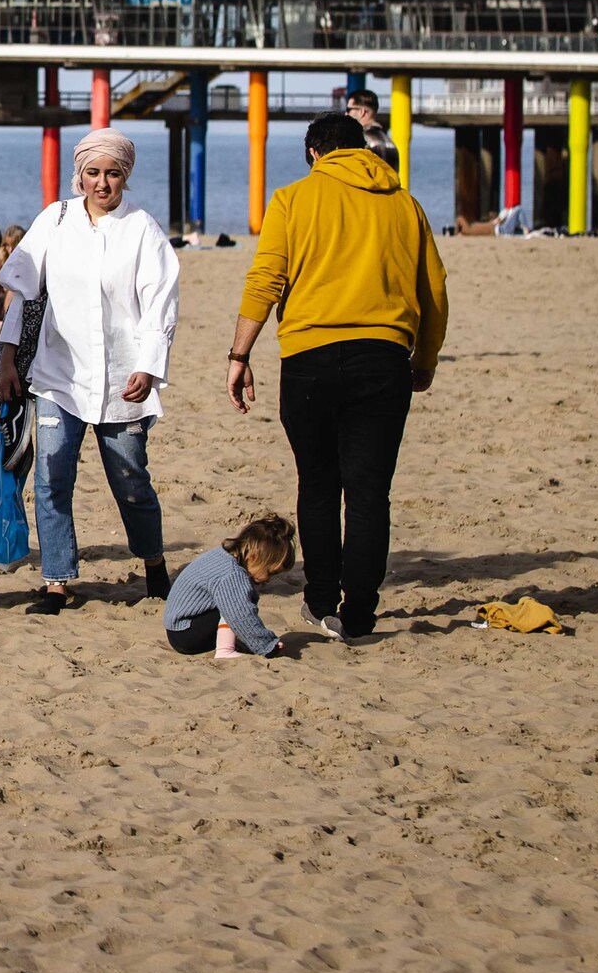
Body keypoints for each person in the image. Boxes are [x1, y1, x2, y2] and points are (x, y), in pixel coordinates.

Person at [226, 113, 448, 641]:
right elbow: (434, 292)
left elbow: (266, 279)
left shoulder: (293, 199)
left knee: (319, 485)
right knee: (370, 493)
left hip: (309, 359)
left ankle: (321, 598)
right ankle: (361, 612)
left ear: (313, 155)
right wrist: (426, 359)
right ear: (366, 151)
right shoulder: (405, 204)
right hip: (384, 357)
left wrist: (240, 354)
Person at [0, 128, 178, 614]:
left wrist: (149, 366)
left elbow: (160, 304)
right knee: (52, 476)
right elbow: (24, 293)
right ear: (79, 176)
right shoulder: (54, 220)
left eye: (112, 174)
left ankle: (154, 563)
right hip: (58, 376)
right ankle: (56, 581)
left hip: (124, 380)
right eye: (93, 173)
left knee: (131, 479)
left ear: (125, 178)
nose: (102, 183)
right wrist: (8, 356)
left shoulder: (143, 229)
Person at [163, 513, 295, 657]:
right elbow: (242, 615)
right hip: (186, 633)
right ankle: (225, 651)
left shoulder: (223, 555)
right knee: (235, 606)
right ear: (254, 557)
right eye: (269, 572)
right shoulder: (232, 574)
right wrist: (267, 646)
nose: (269, 579)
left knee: (234, 604)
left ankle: (228, 642)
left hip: (178, 627)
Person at [344, 88, 398, 171]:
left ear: (361, 112)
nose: (346, 114)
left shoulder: (358, 140)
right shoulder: (391, 144)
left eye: (348, 110)